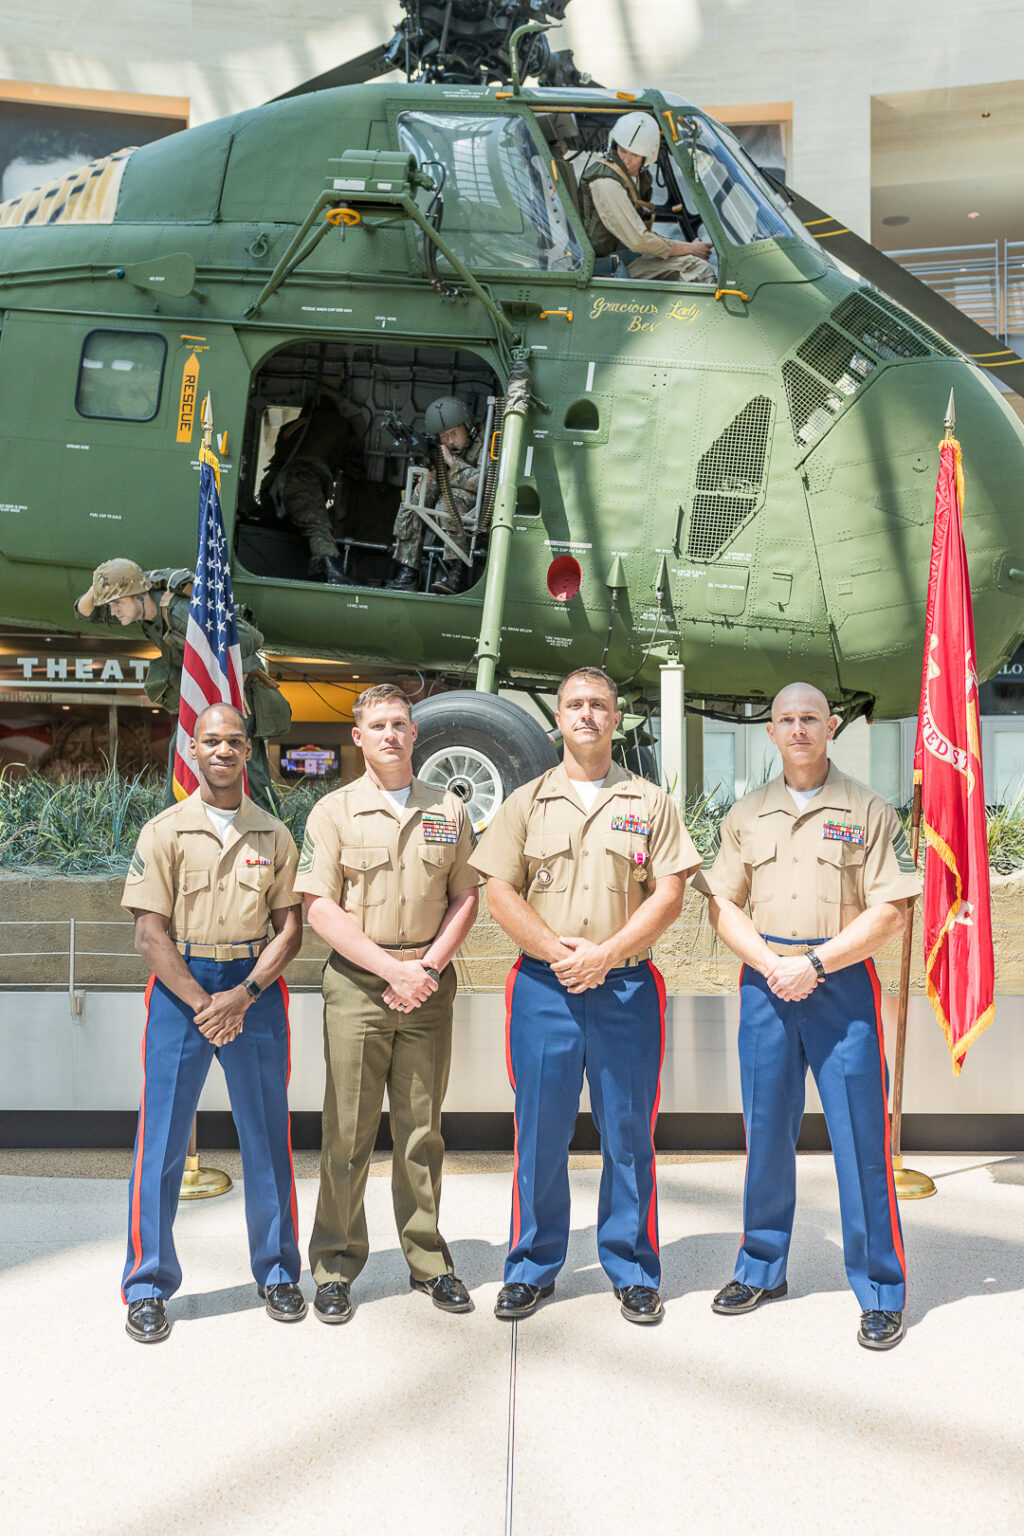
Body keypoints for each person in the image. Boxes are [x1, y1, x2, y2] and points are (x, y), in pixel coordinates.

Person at [470, 666, 701, 1324]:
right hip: (545, 988)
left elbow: (670, 893)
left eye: (599, 704)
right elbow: (499, 892)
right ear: (560, 718)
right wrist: (557, 951)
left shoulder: (649, 802)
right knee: (539, 1133)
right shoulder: (525, 802)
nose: (587, 715)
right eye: (575, 704)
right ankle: (532, 1265)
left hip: (625, 986)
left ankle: (631, 1267)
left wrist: (605, 953)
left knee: (627, 1133)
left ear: (616, 716)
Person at [693, 682, 920, 1351]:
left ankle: (881, 1290)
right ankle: (761, 1268)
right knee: (766, 1132)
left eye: (810, 719)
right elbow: (722, 904)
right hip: (767, 984)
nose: (797, 729)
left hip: (840, 988)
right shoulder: (747, 812)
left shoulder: (869, 810)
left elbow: (891, 911)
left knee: (860, 1143)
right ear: (770, 731)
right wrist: (771, 963)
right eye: (786, 720)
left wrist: (815, 965)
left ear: (833, 726)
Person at [293, 683, 481, 1323]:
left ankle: (429, 1262)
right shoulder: (334, 813)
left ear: (415, 732)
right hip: (358, 984)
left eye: (400, 723)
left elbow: (466, 897)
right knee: (346, 1131)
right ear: (359, 737)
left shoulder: (448, 809)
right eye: (378, 726)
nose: (391, 735)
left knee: (421, 1132)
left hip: (427, 982)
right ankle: (335, 1265)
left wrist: (424, 967)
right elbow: (319, 906)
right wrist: (389, 971)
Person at [119, 702, 304, 1344]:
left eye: (234, 741)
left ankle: (278, 1273)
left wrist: (245, 994)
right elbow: (149, 934)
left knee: (267, 1140)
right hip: (182, 992)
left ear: (247, 751)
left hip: (254, 991)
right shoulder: (164, 831)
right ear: (192, 750)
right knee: (162, 1144)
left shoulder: (274, 836)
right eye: (211, 741)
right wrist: (206, 1003)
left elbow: (291, 931)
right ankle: (146, 1285)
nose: (223, 751)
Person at [74, 558, 290, 815]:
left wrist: (238, 684)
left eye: (117, 603)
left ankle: (273, 836)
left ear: (138, 596)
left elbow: (246, 637)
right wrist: (99, 581)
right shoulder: (142, 609)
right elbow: (84, 611)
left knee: (250, 772)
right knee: (180, 753)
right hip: (207, 696)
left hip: (232, 694)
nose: (113, 611)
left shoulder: (177, 612)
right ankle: (176, 827)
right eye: (111, 604)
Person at [579, 111, 715, 284]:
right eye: (622, 151)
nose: (627, 160)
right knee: (699, 270)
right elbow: (639, 240)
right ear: (614, 145)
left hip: (627, 258)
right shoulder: (607, 182)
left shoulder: (635, 179)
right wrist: (690, 248)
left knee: (695, 268)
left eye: (635, 155)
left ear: (647, 157)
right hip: (607, 266)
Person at [387, 396, 483, 595]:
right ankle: (408, 570)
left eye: (455, 433)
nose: (449, 441)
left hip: (480, 509)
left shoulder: (487, 441)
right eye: (443, 436)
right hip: (451, 506)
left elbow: (486, 483)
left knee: (451, 499)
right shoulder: (441, 449)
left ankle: (458, 573)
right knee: (415, 499)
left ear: (468, 427)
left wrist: (451, 463)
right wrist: (425, 483)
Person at [260, 403, 353, 584]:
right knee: (317, 527)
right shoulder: (335, 425)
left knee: (271, 528)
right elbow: (349, 460)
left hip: (272, 483)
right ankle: (333, 573)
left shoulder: (291, 426)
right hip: (302, 481)